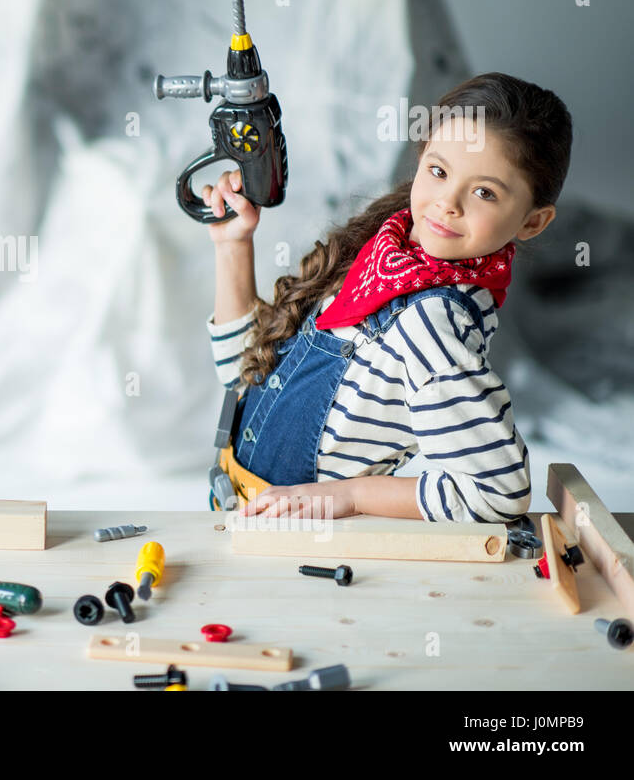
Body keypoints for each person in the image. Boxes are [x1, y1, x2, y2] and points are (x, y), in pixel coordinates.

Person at [204, 73, 571, 522]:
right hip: (236, 513)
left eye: (484, 192)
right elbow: (243, 373)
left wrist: (352, 497)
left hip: (298, 548)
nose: (447, 203)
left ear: (532, 222)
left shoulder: (431, 323)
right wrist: (233, 246)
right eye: (438, 171)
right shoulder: (380, 251)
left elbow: (496, 493)